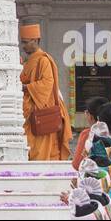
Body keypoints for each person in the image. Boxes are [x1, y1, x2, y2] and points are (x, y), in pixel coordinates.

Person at [19, 23, 71, 161]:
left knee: (41, 149)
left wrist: (25, 88)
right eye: (22, 42)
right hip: (28, 111)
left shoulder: (43, 60)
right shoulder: (28, 61)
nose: (23, 46)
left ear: (35, 40)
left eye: (25, 42)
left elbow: (47, 83)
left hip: (41, 111)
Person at [71, 95, 108, 171]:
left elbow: (77, 164)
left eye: (86, 112)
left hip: (90, 179)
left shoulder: (86, 134)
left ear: (90, 116)